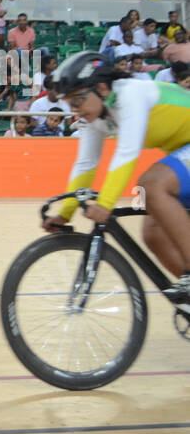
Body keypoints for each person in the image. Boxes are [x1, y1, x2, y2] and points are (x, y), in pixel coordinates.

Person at [42, 52, 190, 302]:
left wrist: (106, 203)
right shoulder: (94, 116)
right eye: (70, 104)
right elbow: (86, 163)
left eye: (78, 100)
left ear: (100, 87)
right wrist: (65, 212)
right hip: (182, 149)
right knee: (153, 232)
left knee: (151, 186)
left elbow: (127, 153)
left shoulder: (130, 94)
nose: (75, 110)